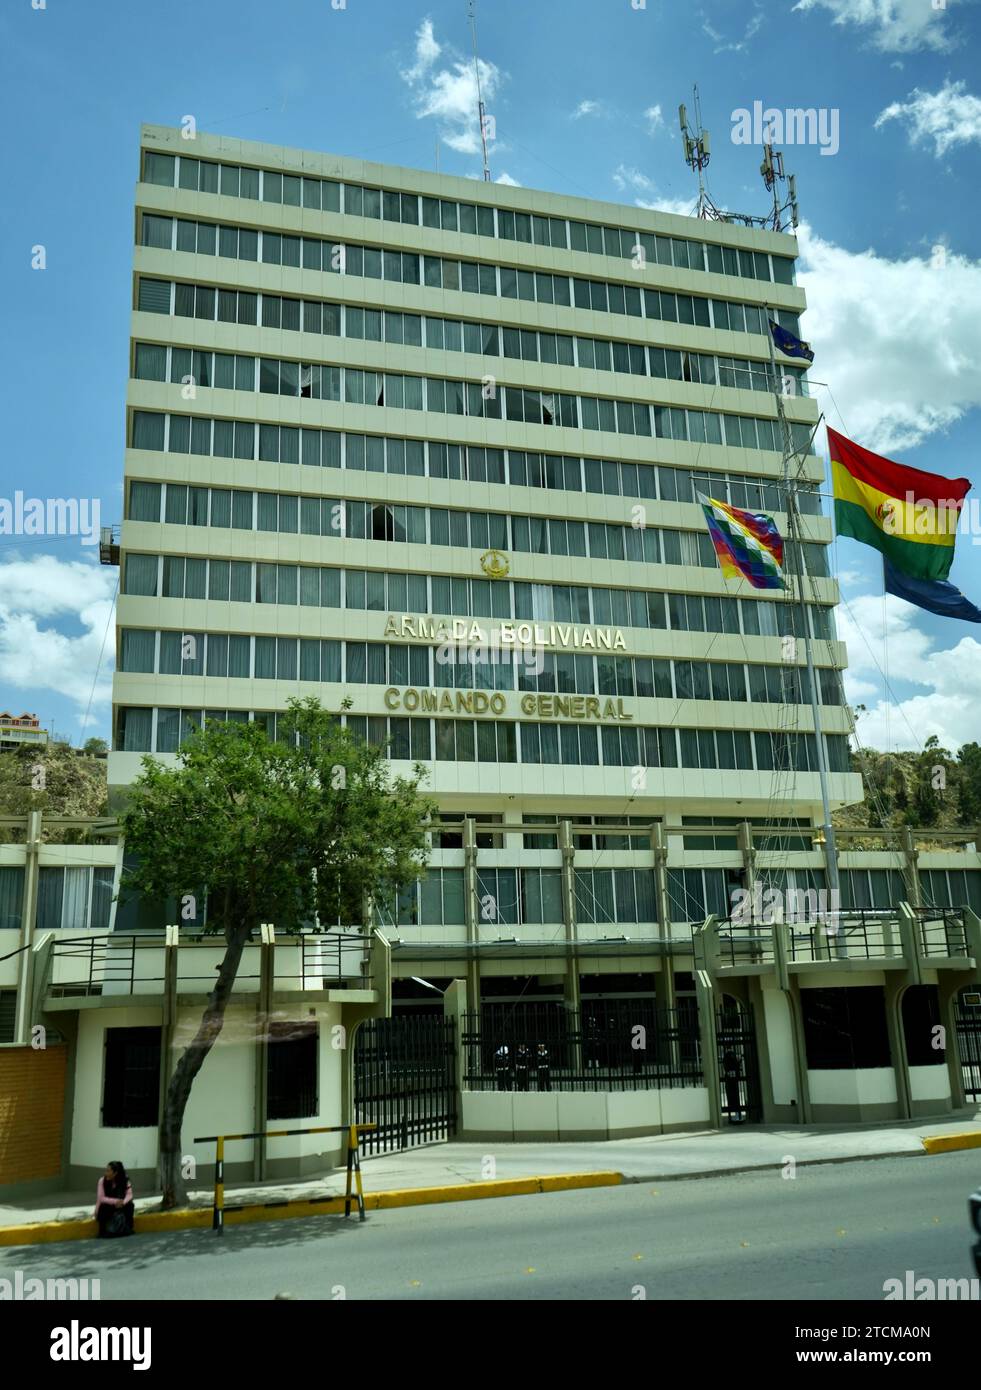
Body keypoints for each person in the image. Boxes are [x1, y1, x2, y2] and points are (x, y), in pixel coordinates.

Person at [95, 1161, 134, 1237]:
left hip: (120, 1205)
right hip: (110, 1205)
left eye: (108, 1171)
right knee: (103, 1207)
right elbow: (101, 1198)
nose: (106, 1173)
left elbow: (129, 1195)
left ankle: (128, 1228)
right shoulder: (102, 1181)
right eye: (106, 1170)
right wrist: (116, 1201)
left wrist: (123, 1202)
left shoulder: (125, 1180)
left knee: (130, 1205)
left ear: (115, 1173)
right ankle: (102, 1232)